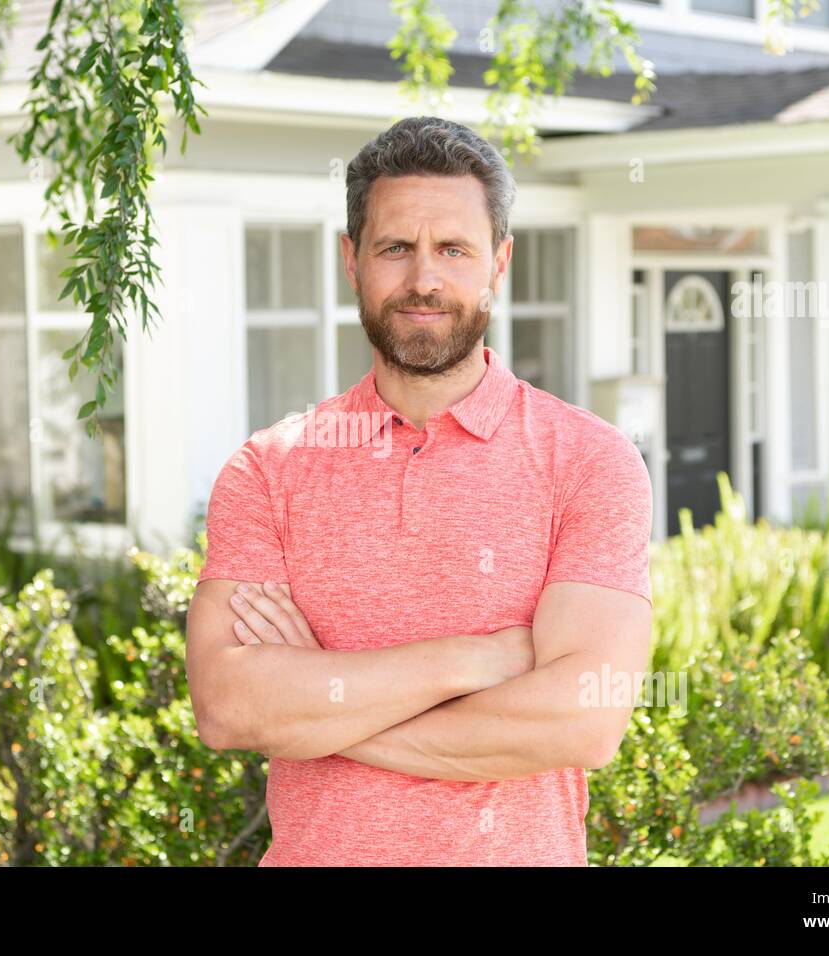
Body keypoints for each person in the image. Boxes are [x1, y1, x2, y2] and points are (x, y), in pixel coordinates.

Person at [186, 115, 654, 866]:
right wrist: (470, 662)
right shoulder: (268, 470)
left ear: (499, 262)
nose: (424, 279)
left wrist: (324, 707)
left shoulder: (589, 462)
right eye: (395, 248)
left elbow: (582, 721)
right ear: (351, 260)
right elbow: (227, 706)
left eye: (453, 250)